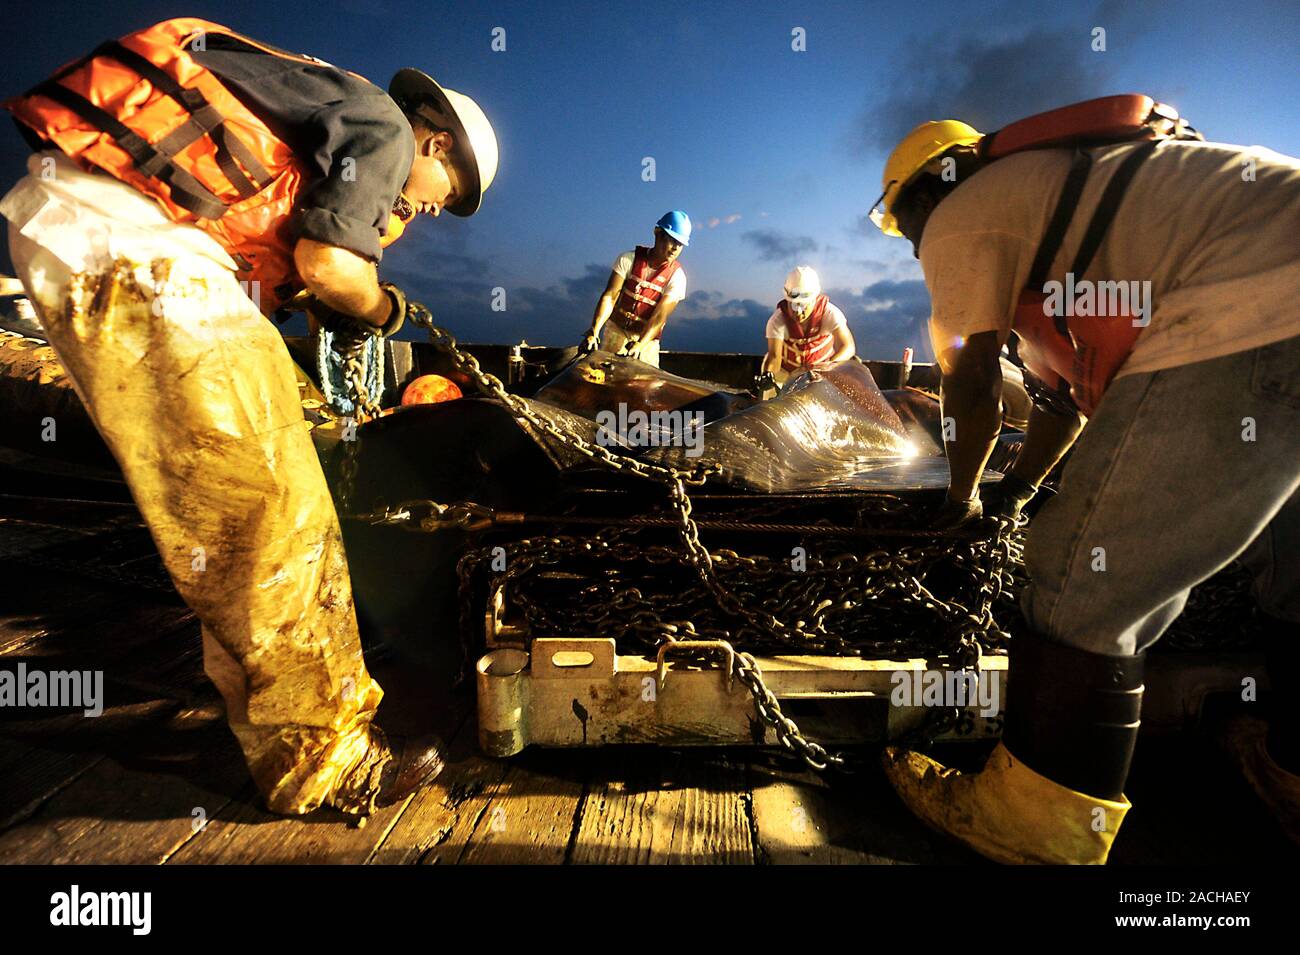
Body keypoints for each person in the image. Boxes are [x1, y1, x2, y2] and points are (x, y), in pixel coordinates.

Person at [0, 17, 499, 818]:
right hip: (136, 248)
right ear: (437, 144)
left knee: (243, 505)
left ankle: (276, 716)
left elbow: (292, 262)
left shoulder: (332, 112)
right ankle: (327, 764)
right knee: (272, 513)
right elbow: (330, 263)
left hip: (109, 232)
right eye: (451, 196)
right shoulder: (384, 130)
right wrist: (381, 307)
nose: (435, 211)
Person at [869, 114, 1300, 862]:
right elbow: (1061, 404)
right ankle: (1294, 771)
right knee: (1295, 568)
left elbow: (969, 387)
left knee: (1078, 574)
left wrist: (964, 499)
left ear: (918, 199)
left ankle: (1035, 822)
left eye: (905, 229)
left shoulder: (961, 215)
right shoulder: (1060, 205)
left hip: (1250, 299)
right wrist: (1020, 486)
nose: (912, 249)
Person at [581, 211, 690, 366]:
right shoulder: (628, 259)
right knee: (604, 378)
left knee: (645, 387)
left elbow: (659, 317)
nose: (675, 248)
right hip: (615, 333)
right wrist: (594, 330)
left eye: (680, 244)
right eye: (672, 241)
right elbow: (610, 296)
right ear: (658, 234)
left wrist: (640, 344)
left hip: (646, 343)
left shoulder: (677, 277)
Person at [754, 265, 856, 394]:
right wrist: (768, 375)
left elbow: (848, 347)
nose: (799, 312)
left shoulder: (830, 313)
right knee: (769, 399)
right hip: (787, 376)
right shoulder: (777, 320)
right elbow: (774, 357)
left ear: (813, 301)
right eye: (794, 305)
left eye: (803, 305)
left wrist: (826, 367)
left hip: (822, 375)